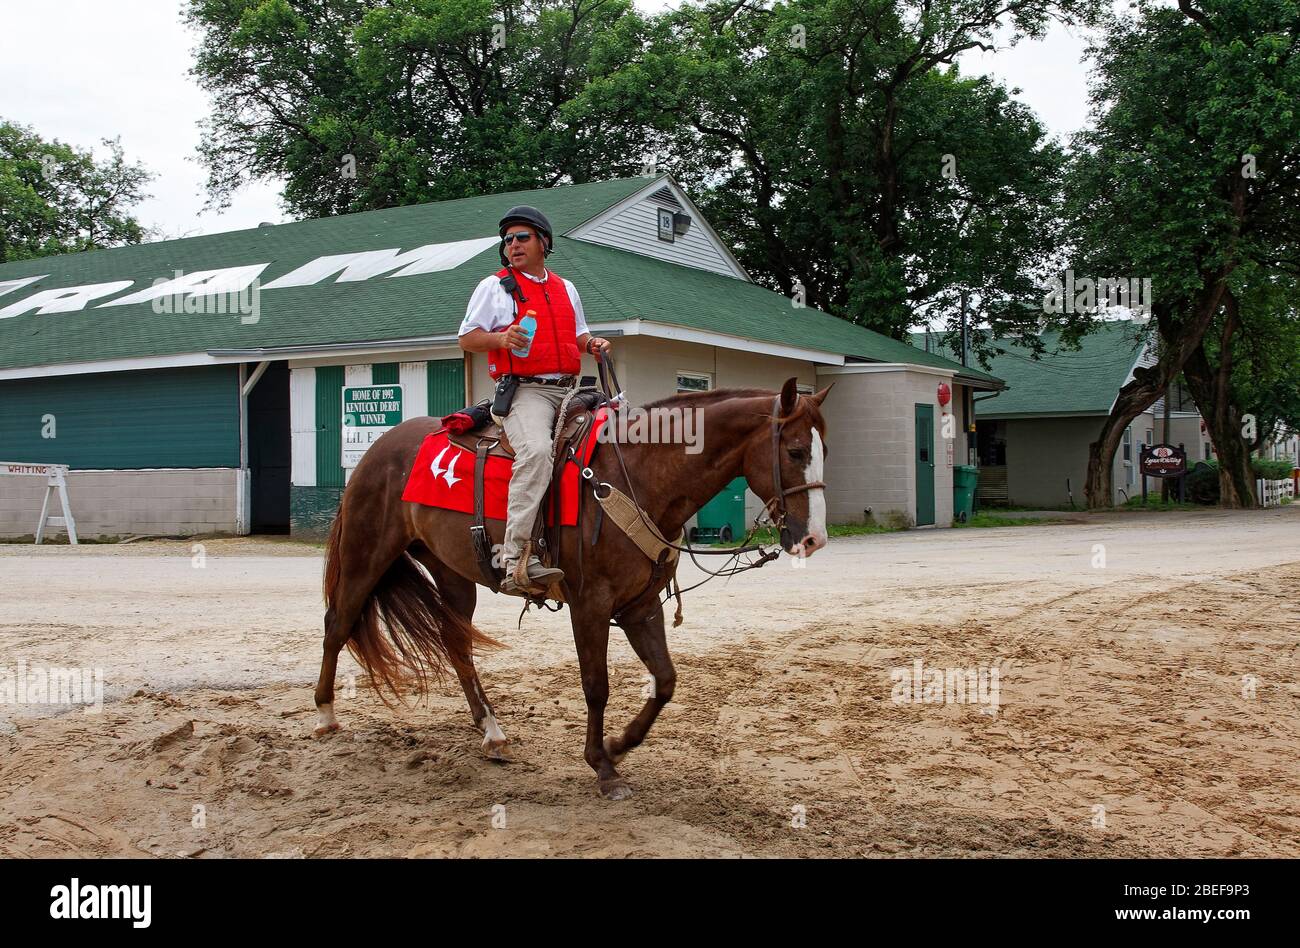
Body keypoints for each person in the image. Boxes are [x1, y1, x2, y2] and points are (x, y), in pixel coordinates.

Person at [458, 205, 612, 595]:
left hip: (571, 388)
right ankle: (516, 559)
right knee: (537, 452)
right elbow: (467, 338)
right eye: (507, 240)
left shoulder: (566, 288)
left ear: (543, 241)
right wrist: (500, 338)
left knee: (628, 436)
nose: (512, 245)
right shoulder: (495, 286)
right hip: (526, 391)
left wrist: (592, 344)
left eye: (521, 237)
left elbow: (578, 334)